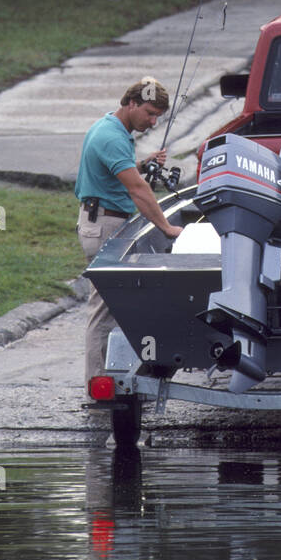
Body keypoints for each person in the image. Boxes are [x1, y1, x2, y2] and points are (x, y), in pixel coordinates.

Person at [75, 76, 183, 391]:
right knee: (104, 311)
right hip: (104, 225)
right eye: (149, 113)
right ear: (132, 103)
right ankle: (99, 392)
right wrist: (167, 227)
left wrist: (142, 164)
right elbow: (138, 189)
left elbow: (118, 171)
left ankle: (118, 381)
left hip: (103, 220)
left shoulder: (110, 127)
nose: (153, 122)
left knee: (117, 307)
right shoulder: (112, 137)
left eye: (157, 117)